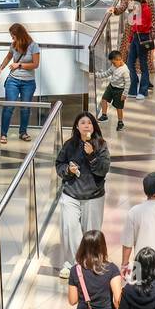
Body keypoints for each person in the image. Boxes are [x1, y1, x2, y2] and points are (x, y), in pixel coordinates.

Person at [56, 112, 110, 279]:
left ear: (94, 127)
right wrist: (68, 170)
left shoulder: (101, 145)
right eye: (83, 123)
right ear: (77, 127)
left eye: (89, 123)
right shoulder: (69, 145)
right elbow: (59, 164)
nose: (86, 125)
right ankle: (73, 265)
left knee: (91, 232)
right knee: (70, 229)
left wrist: (92, 155)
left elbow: (103, 170)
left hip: (93, 196)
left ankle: (92, 263)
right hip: (71, 194)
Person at [0, 23, 40, 145]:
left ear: (20, 35)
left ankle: (23, 132)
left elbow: (35, 64)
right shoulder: (14, 45)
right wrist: (0, 69)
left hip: (28, 82)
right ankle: (3, 134)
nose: (12, 38)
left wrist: (19, 65)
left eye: (13, 36)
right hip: (13, 80)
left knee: (25, 108)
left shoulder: (33, 46)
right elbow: (8, 57)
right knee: (9, 107)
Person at [67, 229, 121, 309]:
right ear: (103, 247)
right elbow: (118, 300)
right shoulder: (112, 269)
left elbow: (72, 301)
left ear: (83, 247)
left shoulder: (75, 270)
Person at [126, 0, 155, 101]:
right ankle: (133, 89)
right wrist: (129, 40)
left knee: (143, 64)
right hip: (135, 37)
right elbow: (132, 24)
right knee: (130, 62)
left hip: (142, 37)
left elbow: (144, 25)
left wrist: (135, 19)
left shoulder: (146, 9)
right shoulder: (136, 8)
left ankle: (143, 90)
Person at [96, 49, 130, 131]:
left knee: (119, 107)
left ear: (120, 60)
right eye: (112, 63)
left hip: (119, 90)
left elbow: (128, 83)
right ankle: (104, 115)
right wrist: (98, 75)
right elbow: (107, 73)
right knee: (104, 99)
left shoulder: (125, 70)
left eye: (114, 63)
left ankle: (120, 122)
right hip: (111, 86)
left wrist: (124, 94)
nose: (113, 64)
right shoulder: (114, 66)